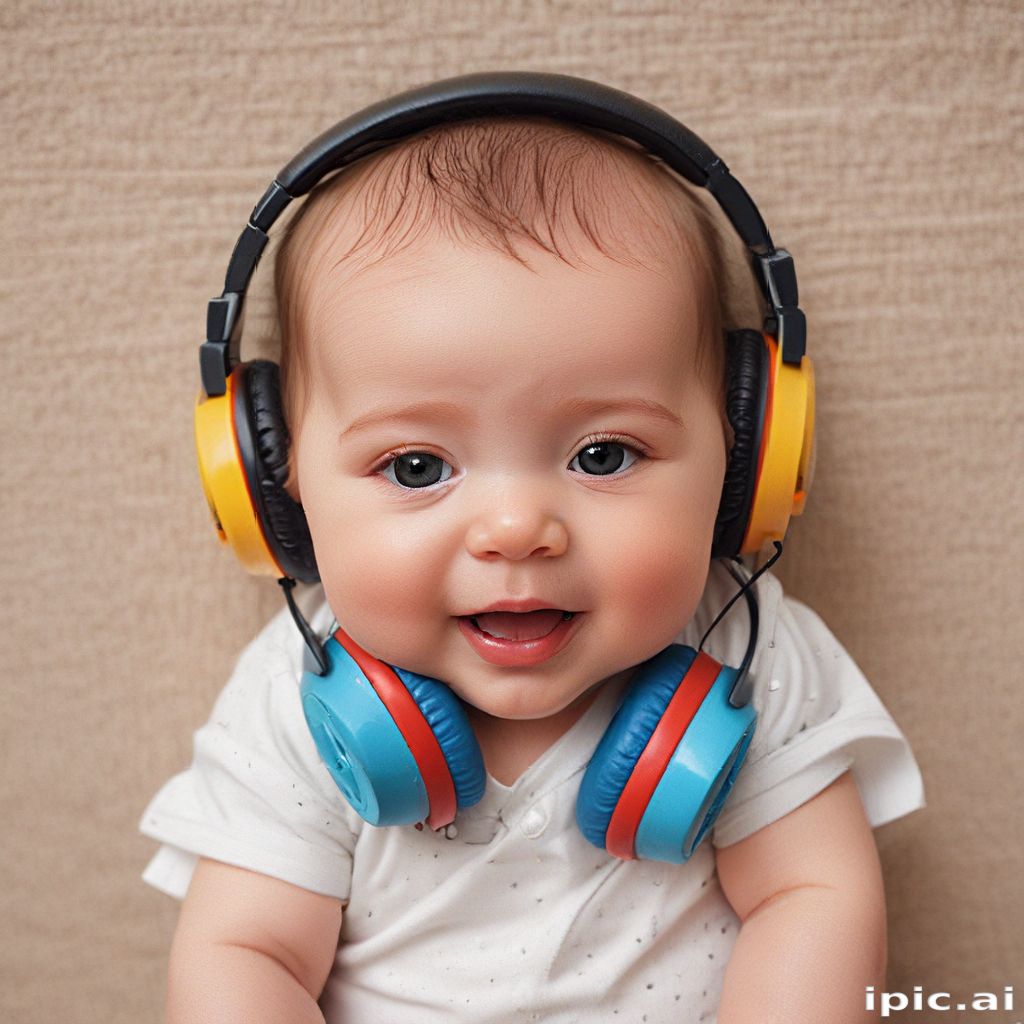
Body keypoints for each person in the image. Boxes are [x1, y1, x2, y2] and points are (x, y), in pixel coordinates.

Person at [141, 81, 923, 1023]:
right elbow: (245, 954)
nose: (516, 530)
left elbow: (818, 902)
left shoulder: (746, 659)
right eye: (418, 464)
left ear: (748, 461)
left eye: (603, 455)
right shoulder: (297, 702)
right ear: (278, 483)